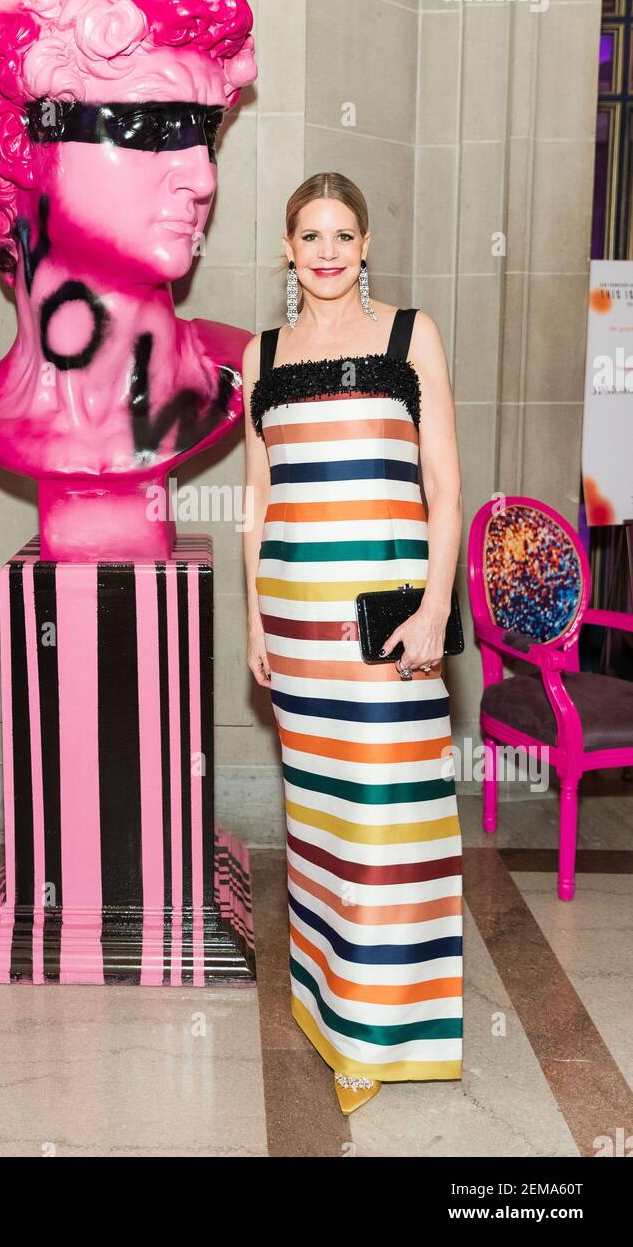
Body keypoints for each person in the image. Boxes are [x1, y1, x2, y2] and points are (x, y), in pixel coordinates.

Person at [242, 172, 464, 1115]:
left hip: (386, 627)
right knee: (322, 825)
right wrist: (255, 618)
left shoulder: (411, 336)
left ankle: (377, 1033)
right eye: (310, 236)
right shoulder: (260, 354)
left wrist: (436, 608)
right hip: (295, 628)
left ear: (365, 245)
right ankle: (324, 1002)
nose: (327, 252)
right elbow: (260, 498)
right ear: (288, 249)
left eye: (343, 235)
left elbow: (445, 486)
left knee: (387, 823)